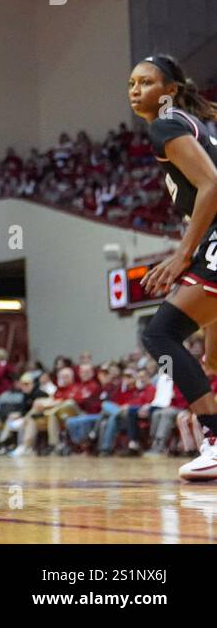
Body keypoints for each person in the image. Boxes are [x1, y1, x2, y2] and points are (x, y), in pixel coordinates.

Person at [128, 54, 217, 480]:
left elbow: (213, 185)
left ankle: (215, 440)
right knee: (214, 358)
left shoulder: (167, 125)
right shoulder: (202, 127)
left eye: (146, 82)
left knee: (160, 334)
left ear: (169, 90)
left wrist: (185, 252)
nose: (134, 89)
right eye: (131, 82)